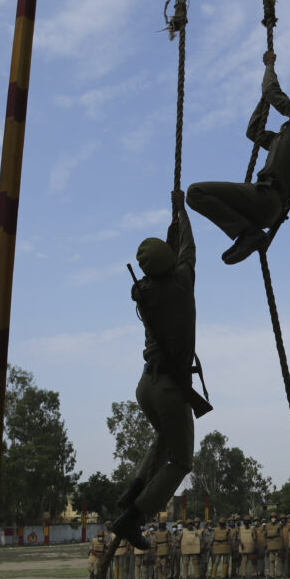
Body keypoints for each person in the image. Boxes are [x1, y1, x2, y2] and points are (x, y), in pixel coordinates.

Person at [111, 193, 197, 550]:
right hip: (169, 386)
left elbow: (175, 253)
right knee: (180, 461)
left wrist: (173, 223)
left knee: (164, 439)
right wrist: (181, 210)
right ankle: (135, 516)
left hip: (146, 383)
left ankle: (134, 489)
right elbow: (188, 248)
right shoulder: (181, 284)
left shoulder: (145, 291)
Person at [187, 52, 290, 265]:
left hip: (267, 197)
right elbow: (254, 132)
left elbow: (273, 92)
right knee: (195, 194)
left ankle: (247, 232)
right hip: (265, 202)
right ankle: (247, 233)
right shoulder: (285, 137)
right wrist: (264, 102)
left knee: (196, 192)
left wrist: (269, 66)